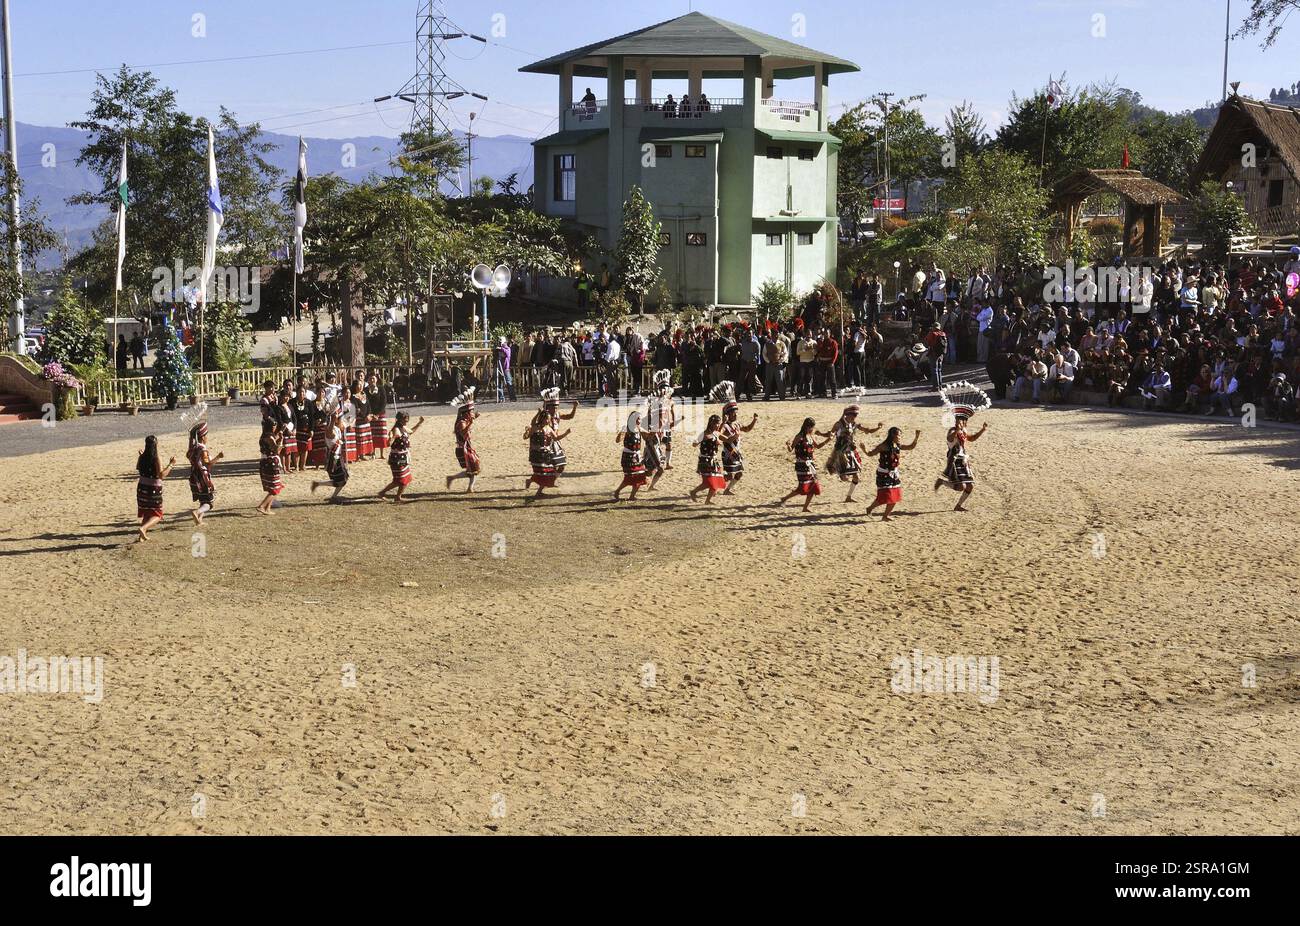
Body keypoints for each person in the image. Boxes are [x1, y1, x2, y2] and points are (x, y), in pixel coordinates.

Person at [820, 406, 882, 502]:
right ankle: (841, 473)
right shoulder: (839, 424)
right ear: (847, 415)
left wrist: (878, 427)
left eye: (855, 415)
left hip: (851, 452)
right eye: (852, 415)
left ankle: (848, 497)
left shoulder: (855, 425)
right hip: (841, 453)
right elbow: (829, 434)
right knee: (844, 478)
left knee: (856, 477)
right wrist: (820, 434)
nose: (854, 417)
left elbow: (868, 430)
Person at [933, 414, 988, 512]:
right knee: (960, 487)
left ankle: (958, 506)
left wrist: (982, 430)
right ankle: (942, 482)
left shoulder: (963, 431)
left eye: (961, 422)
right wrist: (957, 430)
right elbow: (949, 439)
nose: (959, 423)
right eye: (957, 421)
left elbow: (972, 438)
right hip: (955, 461)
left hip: (963, 461)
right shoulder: (952, 431)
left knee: (970, 486)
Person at [864, 427, 920, 522]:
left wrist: (916, 437)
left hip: (894, 474)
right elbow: (871, 454)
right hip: (884, 474)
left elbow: (911, 447)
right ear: (892, 435)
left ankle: (885, 516)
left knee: (895, 496)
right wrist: (864, 450)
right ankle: (870, 508)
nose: (900, 437)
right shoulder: (883, 446)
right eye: (898, 435)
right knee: (885, 496)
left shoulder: (897, 445)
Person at [713, 383, 758, 495]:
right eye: (734, 413)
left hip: (736, 453)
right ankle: (713, 485)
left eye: (736, 412)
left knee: (739, 474)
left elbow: (747, 429)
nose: (736, 415)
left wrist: (754, 420)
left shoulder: (737, 424)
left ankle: (727, 490)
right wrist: (732, 434)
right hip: (728, 454)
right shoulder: (725, 426)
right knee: (729, 475)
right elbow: (719, 435)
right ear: (728, 414)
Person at [778, 418, 829, 512]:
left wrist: (829, 439)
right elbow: (791, 449)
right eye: (811, 427)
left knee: (813, 486)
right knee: (803, 487)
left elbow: (818, 446)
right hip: (801, 465)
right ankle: (784, 498)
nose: (812, 429)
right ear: (807, 427)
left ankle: (805, 507)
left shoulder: (810, 436)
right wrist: (788, 445)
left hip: (811, 465)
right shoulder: (799, 436)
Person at [378, 412, 426, 503]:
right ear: (399, 420)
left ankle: (397, 497)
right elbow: (389, 444)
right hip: (397, 458)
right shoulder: (396, 429)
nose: (406, 422)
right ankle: (382, 493)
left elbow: (411, 431)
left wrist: (419, 423)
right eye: (405, 420)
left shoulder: (402, 428)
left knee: (406, 478)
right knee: (400, 480)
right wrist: (391, 438)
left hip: (403, 457)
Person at [135, 436, 176, 542]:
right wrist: (171, 465)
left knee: (147, 512)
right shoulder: (156, 458)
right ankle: (143, 528)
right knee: (158, 514)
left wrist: (142, 456)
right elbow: (161, 475)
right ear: (156, 445)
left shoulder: (142, 457)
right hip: (153, 489)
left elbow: (138, 468)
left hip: (142, 487)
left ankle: (141, 536)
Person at [186, 422, 223, 525]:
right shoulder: (203, 449)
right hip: (202, 477)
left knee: (203, 499)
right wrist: (218, 457)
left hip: (194, 475)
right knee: (209, 503)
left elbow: (189, 453)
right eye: (206, 435)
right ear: (202, 437)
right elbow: (208, 463)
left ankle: (199, 520)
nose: (207, 437)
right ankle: (196, 512)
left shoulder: (193, 448)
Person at [310, 406, 350, 503]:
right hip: (334, 458)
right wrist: (332, 419)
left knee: (343, 479)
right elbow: (330, 432)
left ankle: (319, 484)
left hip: (338, 456)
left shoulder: (337, 428)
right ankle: (332, 496)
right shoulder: (330, 429)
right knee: (341, 479)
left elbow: (346, 423)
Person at [445, 387, 481, 492]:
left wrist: (472, 420)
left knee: (473, 469)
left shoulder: (465, 420)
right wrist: (472, 422)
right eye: (471, 411)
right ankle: (467, 486)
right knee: (474, 469)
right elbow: (464, 433)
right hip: (463, 449)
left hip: (466, 448)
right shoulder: (462, 422)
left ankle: (466, 485)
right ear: (466, 412)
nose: (473, 413)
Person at [688, 414, 727, 504]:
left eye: (718, 423)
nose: (717, 425)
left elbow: (726, 438)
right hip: (705, 461)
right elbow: (695, 443)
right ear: (711, 423)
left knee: (717, 481)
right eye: (716, 423)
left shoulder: (716, 433)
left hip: (714, 461)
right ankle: (693, 492)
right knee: (708, 483)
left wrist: (725, 424)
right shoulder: (704, 434)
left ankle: (707, 500)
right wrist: (697, 441)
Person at [613, 410, 651, 502]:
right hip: (628, 457)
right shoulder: (627, 428)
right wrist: (621, 433)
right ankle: (617, 491)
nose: (640, 420)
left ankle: (632, 496)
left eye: (640, 419)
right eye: (638, 419)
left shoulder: (639, 428)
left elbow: (648, 436)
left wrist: (656, 430)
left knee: (640, 476)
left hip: (637, 456)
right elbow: (617, 440)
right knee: (631, 477)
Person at [256, 420, 286, 515]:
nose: (275, 427)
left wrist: (280, 435)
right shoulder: (268, 437)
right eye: (274, 426)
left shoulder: (267, 435)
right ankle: (262, 506)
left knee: (273, 487)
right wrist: (281, 443)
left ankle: (267, 508)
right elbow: (276, 449)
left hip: (267, 463)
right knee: (275, 488)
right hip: (270, 463)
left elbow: (275, 440)